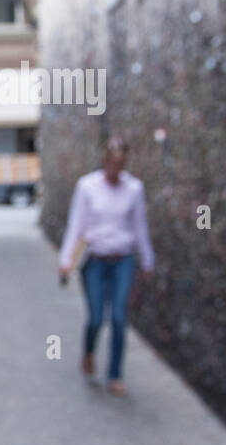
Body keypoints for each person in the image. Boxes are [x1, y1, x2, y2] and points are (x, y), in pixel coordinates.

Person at [58, 136, 155, 396]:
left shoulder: (134, 189)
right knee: (97, 318)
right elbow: (76, 225)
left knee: (120, 318)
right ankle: (88, 351)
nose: (115, 168)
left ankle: (115, 375)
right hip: (95, 261)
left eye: (120, 163)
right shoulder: (87, 187)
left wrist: (147, 258)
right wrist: (66, 260)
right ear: (105, 161)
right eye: (112, 162)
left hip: (122, 259)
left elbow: (139, 226)